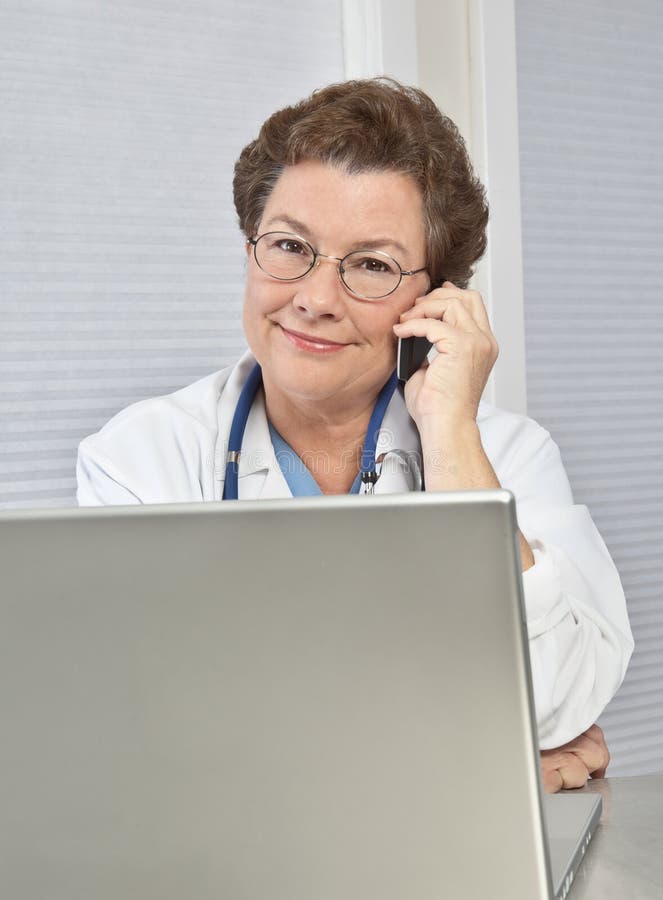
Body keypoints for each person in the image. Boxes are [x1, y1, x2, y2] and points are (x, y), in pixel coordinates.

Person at [77, 78, 632, 790]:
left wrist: (450, 433)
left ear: (436, 298)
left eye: (371, 265)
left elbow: (552, 702)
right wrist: (473, 749)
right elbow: (139, 729)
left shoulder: (505, 455)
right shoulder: (143, 455)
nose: (313, 298)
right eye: (288, 247)